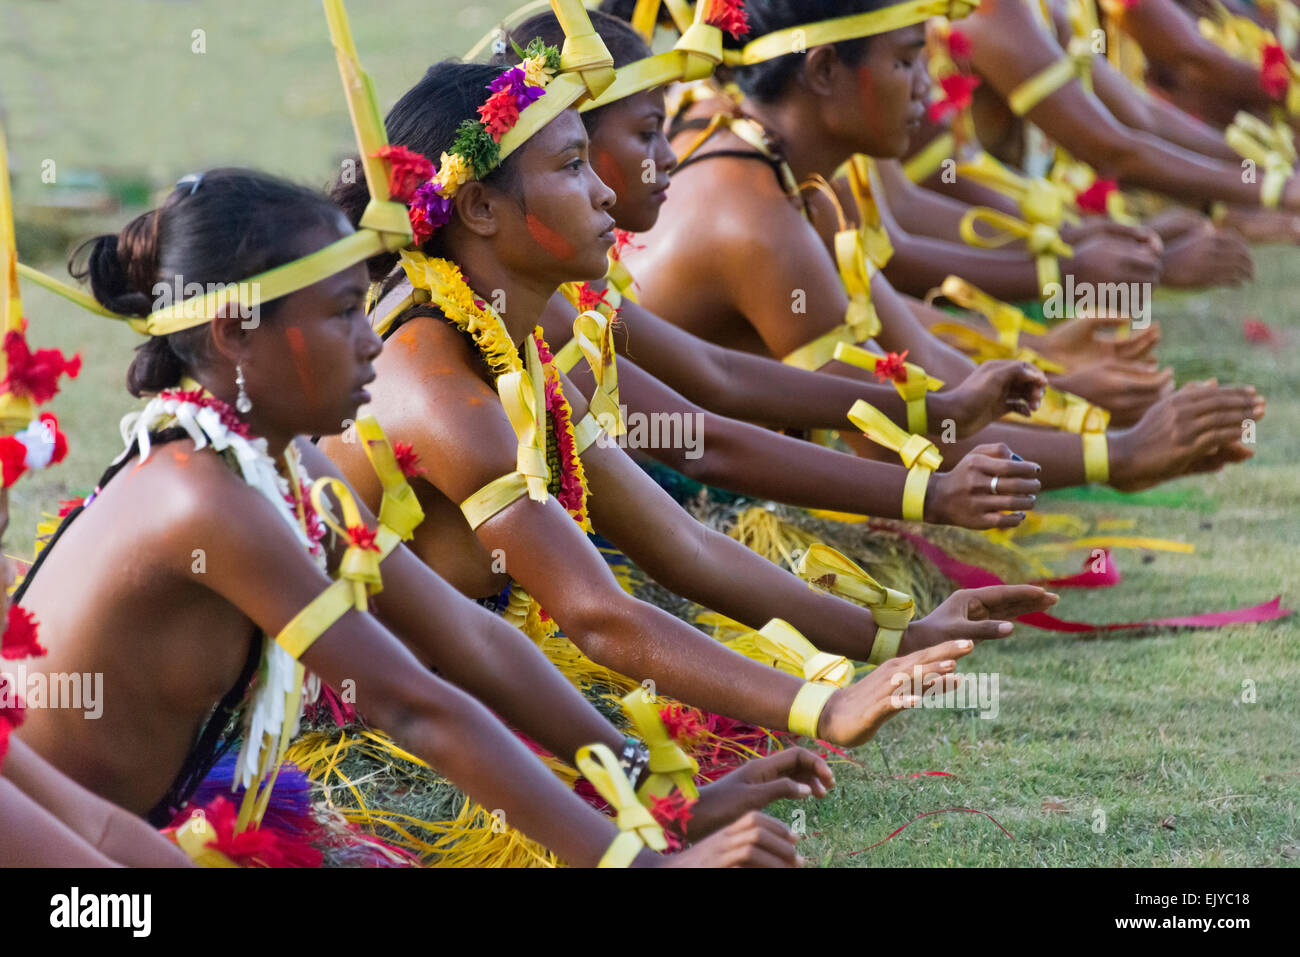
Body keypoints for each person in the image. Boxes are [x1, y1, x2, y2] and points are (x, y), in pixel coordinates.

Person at [12, 165, 842, 867]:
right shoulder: (203, 497)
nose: (372, 339)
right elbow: (412, 703)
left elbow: (468, 639)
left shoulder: (274, 462)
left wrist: (658, 792)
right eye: (341, 312)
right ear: (234, 332)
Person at [324, 49, 1057, 762]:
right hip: (372, 730)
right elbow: (599, 617)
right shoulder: (442, 389)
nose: (606, 191)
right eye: (573, 167)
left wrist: (901, 636)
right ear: (480, 206)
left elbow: (681, 543)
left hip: (469, 691)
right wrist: (823, 706)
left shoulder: (514, 338)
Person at [624, 0, 1265, 494]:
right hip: (665, 500)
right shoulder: (753, 214)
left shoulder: (797, 189)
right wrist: (1115, 451)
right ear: (823, 71)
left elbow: (909, 354)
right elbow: (886, 440)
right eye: (905, 61)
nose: (927, 88)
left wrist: (1057, 382)